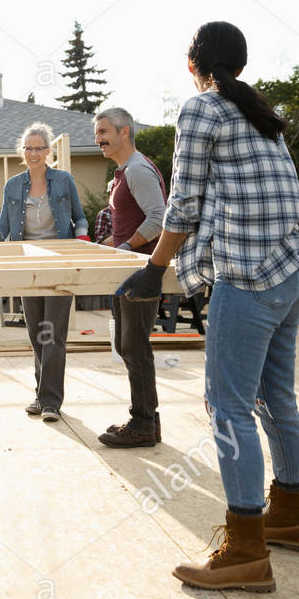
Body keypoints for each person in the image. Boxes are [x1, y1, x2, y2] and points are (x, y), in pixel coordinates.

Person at [118, 21, 299, 593]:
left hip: (246, 279)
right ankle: (291, 516)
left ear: (192, 63)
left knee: (227, 407)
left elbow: (181, 207)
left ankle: (247, 549)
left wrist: (154, 269)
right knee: (276, 396)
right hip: (290, 273)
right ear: (242, 63)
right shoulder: (261, 115)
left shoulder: (203, 108)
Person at [0, 122, 89, 422]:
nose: (33, 153)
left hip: (59, 261)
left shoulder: (64, 180)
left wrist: (81, 237)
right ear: (23, 151)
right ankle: (41, 394)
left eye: (39, 148)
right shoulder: (13, 185)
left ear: (48, 151)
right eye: (28, 148)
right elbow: (4, 226)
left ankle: (51, 402)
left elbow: (80, 218)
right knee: (35, 331)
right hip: (27, 264)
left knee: (53, 333)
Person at [93, 107, 167, 448]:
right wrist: (100, 247)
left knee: (135, 347)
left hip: (140, 272)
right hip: (126, 269)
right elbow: (126, 227)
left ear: (125, 132)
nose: (99, 139)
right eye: (97, 133)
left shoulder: (138, 170)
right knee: (128, 345)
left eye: (104, 132)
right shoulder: (123, 173)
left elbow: (158, 220)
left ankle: (143, 423)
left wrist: (123, 247)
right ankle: (147, 420)